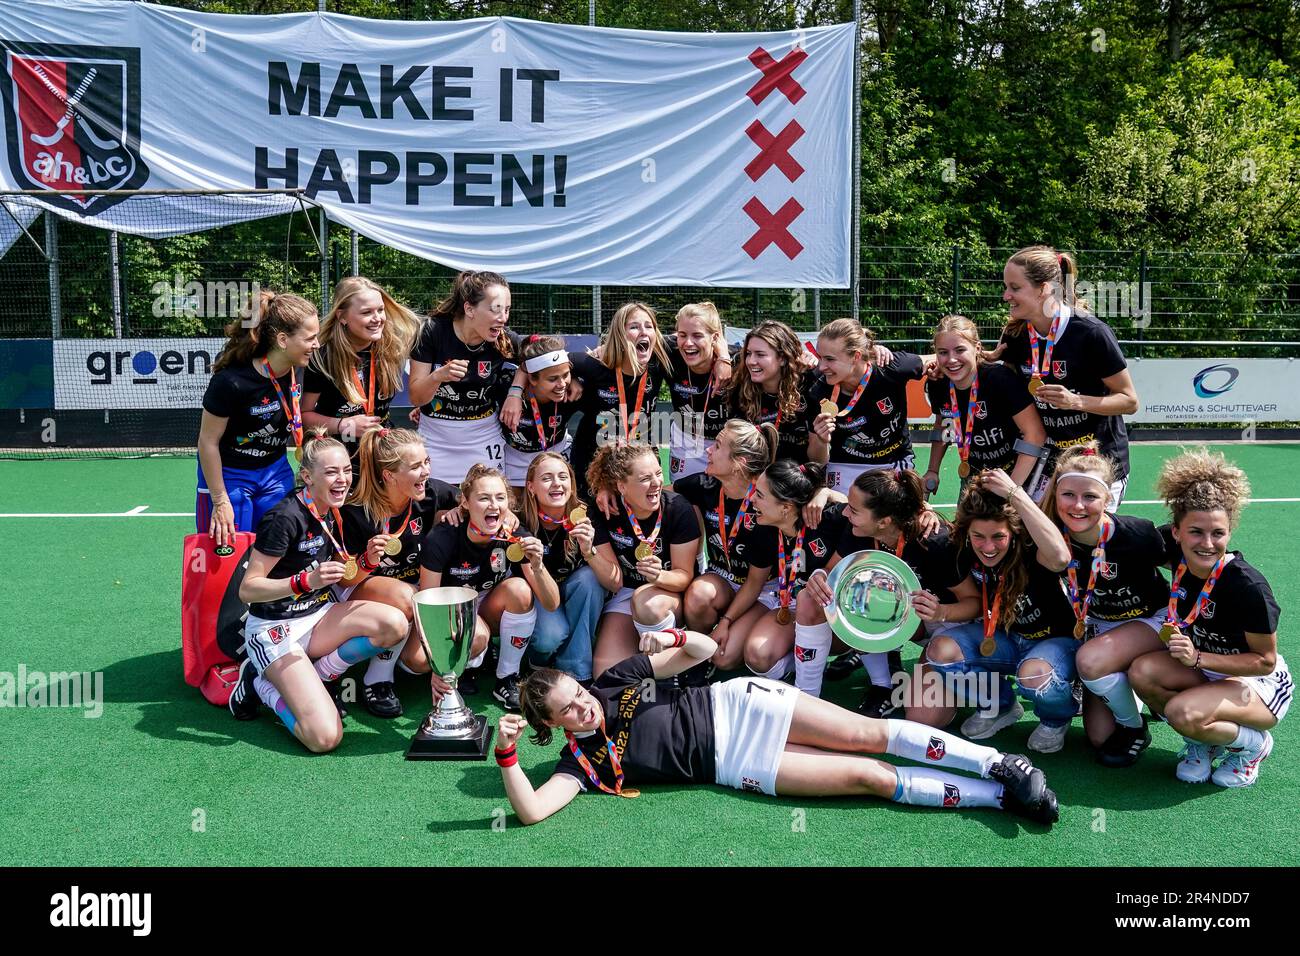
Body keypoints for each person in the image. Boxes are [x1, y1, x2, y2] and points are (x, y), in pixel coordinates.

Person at [492, 628, 1059, 826]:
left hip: (738, 704)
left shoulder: (614, 679)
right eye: (568, 710)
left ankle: (1000, 765)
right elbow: (532, 811)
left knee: (869, 733)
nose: (585, 707)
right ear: (551, 725)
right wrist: (508, 757)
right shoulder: (580, 767)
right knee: (872, 776)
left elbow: (709, 650)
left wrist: (670, 640)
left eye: (579, 694)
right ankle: (999, 798)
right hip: (736, 764)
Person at [226, 431, 409, 753]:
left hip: (318, 616)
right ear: (307, 477)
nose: (342, 480)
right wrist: (304, 582)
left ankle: (321, 674)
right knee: (323, 738)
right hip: (275, 629)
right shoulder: (284, 518)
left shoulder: (334, 510)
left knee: (394, 625)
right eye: (331, 472)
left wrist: (367, 560)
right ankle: (260, 684)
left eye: (346, 471)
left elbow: (345, 580)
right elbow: (248, 589)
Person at [1128, 448, 1290, 787]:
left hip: (1256, 685)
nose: (1207, 543)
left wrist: (1198, 656)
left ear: (1230, 531)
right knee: (1142, 673)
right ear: (1176, 532)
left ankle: (1253, 746)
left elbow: (1264, 661)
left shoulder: (1248, 586)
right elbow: (1122, 539)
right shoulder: (1175, 552)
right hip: (1204, 670)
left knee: (1180, 712)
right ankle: (1203, 741)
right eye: (1196, 532)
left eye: (1218, 533)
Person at [902, 471, 1078, 753]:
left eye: (999, 536)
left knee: (1034, 675)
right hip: (1004, 638)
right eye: (978, 536)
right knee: (941, 651)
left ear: (1014, 532)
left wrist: (1015, 493)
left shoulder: (1031, 547)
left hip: (1053, 641)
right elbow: (905, 515)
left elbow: (1060, 558)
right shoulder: (962, 545)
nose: (988, 546)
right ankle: (1001, 706)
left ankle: (1056, 719)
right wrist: (926, 509)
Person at [1044, 444, 1169, 766]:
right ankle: (1133, 687)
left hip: (1151, 619)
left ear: (1108, 499)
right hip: (1100, 626)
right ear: (1055, 495)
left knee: (1091, 660)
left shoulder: (1137, 533)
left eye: (1090, 497)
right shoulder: (1051, 537)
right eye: (1068, 494)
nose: (1078, 506)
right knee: (1099, 737)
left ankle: (1135, 726)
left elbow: (1186, 564)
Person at [804, 469, 959, 717]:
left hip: (949, 625)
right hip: (912, 620)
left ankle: (992, 694)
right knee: (846, 595)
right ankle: (882, 684)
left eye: (853, 510)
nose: (846, 513)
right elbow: (831, 571)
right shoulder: (861, 531)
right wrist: (818, 577)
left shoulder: (934, 540)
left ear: (884, 521)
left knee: (923, 717)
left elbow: (975, 604)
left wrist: (942, 612)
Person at [994, 246, 1139, 507]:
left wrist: (1076, 401)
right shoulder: (1015, 335)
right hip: (1052, 462)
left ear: (1044, 289)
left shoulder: (1091, 333)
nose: (1006, 296)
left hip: (1099, 461)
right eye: (1006, 287)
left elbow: (1129, 401)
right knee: (1038, 541)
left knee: (1086, 541)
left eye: (1015, 288)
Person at [337, 427, 459, 717]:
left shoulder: (433, 494)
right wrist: (367, 560)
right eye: (416, 466)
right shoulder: (355, 510)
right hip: (358, 589)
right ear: (390, 475)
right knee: (406, 597)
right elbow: (344, 578)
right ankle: (377, 679)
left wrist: (462, 511)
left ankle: (403, 658)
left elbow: (476, 495)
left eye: (427, 462)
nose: (426, 471)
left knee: (456, 643)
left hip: (411, 592)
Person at [418, 463, 545, 710]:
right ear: (464, 502)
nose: (494, 505)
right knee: (417, 660)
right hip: (447, 610)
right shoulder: (444, 536)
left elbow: (550, 602)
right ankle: (466, 664)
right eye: (484, 498)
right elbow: (428, 604)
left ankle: (506, 678)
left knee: (519, 589)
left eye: (500, 498)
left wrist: (538, 565)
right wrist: (438, 663)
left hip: (485, 607)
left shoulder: (512, 532)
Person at [197, 290, 319, 546]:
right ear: (283, 340)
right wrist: (220, 501)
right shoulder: (231, 382)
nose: (317, 345)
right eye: (310, 338)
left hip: (275, 473)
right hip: (230, 476)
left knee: (277, 550)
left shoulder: (300, 371)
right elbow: (207, 442)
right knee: (229, 555)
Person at [674, 420, 782, 672]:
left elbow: (755, 582)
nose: (708, 450)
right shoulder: (704, 485)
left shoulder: (765, 504)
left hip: (762, 590)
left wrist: (725, 621)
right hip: (721, 578)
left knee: (724, 658)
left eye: (718, 446)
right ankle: (699, 653)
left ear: (739, 463)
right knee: (698, 596)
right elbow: (657, 495)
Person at [586, 443, 701, 677]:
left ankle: (671, 666)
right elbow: (614, 582)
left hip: (669, 593)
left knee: (646, 603)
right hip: (626, 593)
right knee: (607, 675)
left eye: (659, 474)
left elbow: (684, 577)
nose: (657, 483)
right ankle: (648, 657)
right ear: (621, 486)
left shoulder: (678, 508)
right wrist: (589, 552)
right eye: (645, 478)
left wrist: (660, 575)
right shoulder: (605, 508)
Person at [735, 460, 849, 694]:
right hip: (790, 603)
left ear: (786, 507)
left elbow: (865, 511)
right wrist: (725, 622)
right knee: (757, 656)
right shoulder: (764, 526)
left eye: (760, 495)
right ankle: (802, 664)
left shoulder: (827, 518)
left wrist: (827, 492)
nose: (752, 500)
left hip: (836, 611)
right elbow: (754, 581)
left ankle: (809, 692)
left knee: (811, 597)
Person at [407, 270, 522, 484]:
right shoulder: (432, 331)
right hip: (435, 438)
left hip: (483, 436)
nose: (504, 318)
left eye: (507, 310)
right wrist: (437, 377)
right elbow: (415, 397)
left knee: (488, 504)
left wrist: (515, 393)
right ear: (469, 309)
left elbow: (537, 357)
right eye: (496, 309)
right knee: (437, 510)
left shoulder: (503, 338)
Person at [517, 452, 621, 684]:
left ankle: (575, 670)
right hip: (540, 596)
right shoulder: (521, 521)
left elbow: (615, 581)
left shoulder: (586, 515)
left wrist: (588, 551)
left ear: (572, 484)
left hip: (573, 593)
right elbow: (550, 602)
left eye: (563, 477)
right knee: (550, 636)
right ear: (531, 487)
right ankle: (537, 663)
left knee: (589, 580)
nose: (557, 483)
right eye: (547, 478)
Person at [922, 314, 1046, 498]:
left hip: (1014, 476)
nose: (952, 359)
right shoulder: (938, 383)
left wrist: (1011, 490)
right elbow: (943, 426)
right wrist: (933, 470)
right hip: (974, 478)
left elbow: (1035, 434)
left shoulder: (1000, 379)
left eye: (959, 350)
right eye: (943, 352)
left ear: (977, 348)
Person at [302, 276, 420, 460]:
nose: (377, 318)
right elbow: (304, 417)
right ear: (342, 317)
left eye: (380, 310)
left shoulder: (391, 347)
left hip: (381, 448)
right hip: (337, 454)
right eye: (366, 312)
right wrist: (344, 425)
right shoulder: (322, 356)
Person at [567, 302, 673, 500]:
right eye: (634, 327)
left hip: (639, 460)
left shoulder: (658, 364)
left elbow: (704, 335)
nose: (643, 331)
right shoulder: (595, 366)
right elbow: (546, 357)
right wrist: (570, 377)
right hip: (593, 463)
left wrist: (724, 359)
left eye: (649, 326)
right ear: (620, 335)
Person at [807, 318, 925, 492]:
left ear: (856, 356)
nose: (822, 366)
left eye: (830, 359)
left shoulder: (892, 368)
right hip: (844, 464)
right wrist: (821, 440)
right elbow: (817, 460)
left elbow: (939, 361)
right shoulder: (817, 389)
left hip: (892, 461)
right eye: (820, 358)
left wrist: (935, 370)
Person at [724, 320, 814, 463]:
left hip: (796, 478)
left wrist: (817, 363)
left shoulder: (808, 385)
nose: (751, 361)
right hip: (754, 475)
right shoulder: (739, 386)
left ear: (783, 358)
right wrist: (721, 359)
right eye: (748, 353)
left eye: (760, 354)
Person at [500, 335, 580, 491]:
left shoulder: (573, 392)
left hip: (557, 456)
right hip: (513, 462)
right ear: (532, 379)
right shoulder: (504, 388)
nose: (562, 384)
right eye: (552, 379)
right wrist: (515, 392)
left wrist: (576, 379)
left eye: (565, 375)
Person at [665, 301, 733, 483]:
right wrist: (602, 351)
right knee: (685, 504)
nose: (688, 343)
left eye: (697, 335)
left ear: (715, 338)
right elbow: (632, 342)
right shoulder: (669, 352)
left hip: (725, 446)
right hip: (685, 441)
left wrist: (725, 358)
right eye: (682, 335)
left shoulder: (740, 361)